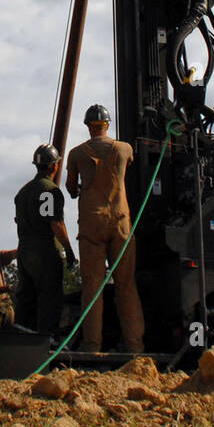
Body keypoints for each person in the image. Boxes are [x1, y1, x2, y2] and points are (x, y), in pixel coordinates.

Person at [66, 103, 144, 354]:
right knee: (126, 285)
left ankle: (92, 347)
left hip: (91, 224)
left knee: (93, 287)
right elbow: (130, 165)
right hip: (121, 222)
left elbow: (70, 188)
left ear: (88, 127)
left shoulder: (76, 154)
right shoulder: (124, 148)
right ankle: (135, 347)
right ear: (107, 125)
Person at [14, 144, 76, 336]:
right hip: (44, 252)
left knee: (26, 300)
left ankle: (22, 340)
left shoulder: (22, 192)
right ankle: (46, 343)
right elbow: (55, 223)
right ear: (54, 166)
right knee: (49, 300)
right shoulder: (50, 191)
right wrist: (69, 250)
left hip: (24, 252)